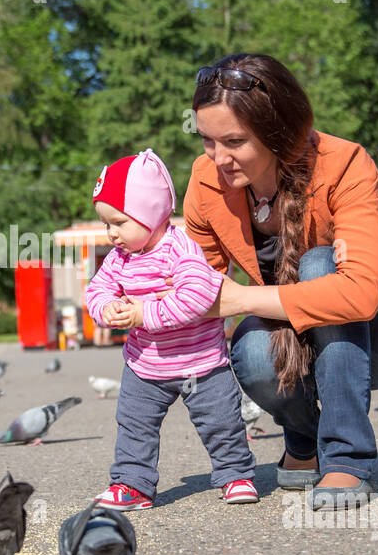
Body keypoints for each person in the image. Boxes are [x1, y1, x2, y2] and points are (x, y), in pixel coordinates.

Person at [173, 54, 378, 510]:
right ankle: (305, 439)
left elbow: (357, 296)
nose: (218, 158)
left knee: (320, 264)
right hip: (304, 336)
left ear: (277, 133)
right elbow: (201, 290)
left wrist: (241, 298)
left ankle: (346, 458)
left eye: (234, 141)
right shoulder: (206, 181)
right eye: (207, 140)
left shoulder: (344, 163)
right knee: (250, 349)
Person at [87, 149, 258, 508]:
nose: (111, 234)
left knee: (221, 423)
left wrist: (144, 314)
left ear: (150, 213)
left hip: (201, 363)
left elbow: (198, 295)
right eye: (106, 224)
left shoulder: (179, 248)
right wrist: (108, 308)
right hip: (144, 366)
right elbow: (97, 290)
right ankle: (132, 483)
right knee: (134, 426)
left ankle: (236, 474)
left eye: (119, 222)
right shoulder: (120, 260)